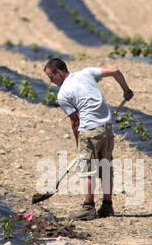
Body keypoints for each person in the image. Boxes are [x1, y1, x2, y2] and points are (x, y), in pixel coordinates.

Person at [43, 57, 133, 220]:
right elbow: (115, 70)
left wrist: (79, 144)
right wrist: (126, 90)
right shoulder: (87, 73)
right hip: (107, 129)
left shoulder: (63, 94)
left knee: (88, 171)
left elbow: (75, 121)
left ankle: (88, 208)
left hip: (89, 131)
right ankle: (107, 206)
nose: (52, 81)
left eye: (51, 77)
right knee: (105, 168)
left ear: (60, 72)